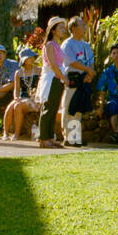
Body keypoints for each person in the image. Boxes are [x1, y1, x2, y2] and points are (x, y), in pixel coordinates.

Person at [60, 16, 95, 147]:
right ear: (73, 28)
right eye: (82, 25)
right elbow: (71, 61)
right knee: (70, 107)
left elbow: (91, 61)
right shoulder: (68, 44)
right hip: (73, 78)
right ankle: (68, 136)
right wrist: (88, 70)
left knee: (79, 108)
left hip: (85, 79)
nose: (85, 27)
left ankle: (76, 137)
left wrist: (89, 74)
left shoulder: (86, 45)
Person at [36, 18, 70, 148]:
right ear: (53, 30)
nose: (63, 30)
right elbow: (53, 65)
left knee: (54, 108)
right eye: (60, 27)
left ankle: (50, 137)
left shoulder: (57, 45)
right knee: (48, 108)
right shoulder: (50, 45)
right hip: (52, 78)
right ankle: (43, 138)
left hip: (58, 78)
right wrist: (64, 78)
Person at [3, 49, 42, 141]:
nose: (32, 59)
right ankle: (5, 133)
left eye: (32, 57)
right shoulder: (19, 72)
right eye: (29, 57)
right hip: (22, 96)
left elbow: (40, 85)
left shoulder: (38, 70)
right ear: (24, 60)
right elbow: (16, 89)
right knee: (9, 108)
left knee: (18, 107)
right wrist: (16, 97)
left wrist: (36, 94)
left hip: (34, 97)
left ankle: (16, 134)